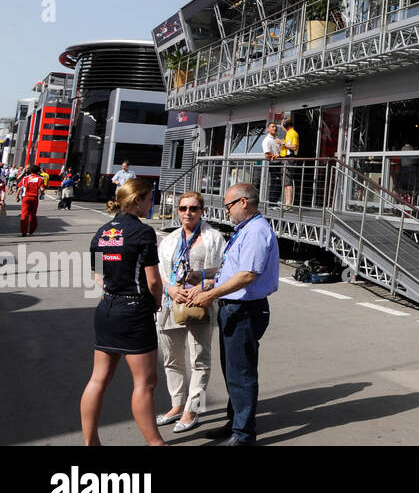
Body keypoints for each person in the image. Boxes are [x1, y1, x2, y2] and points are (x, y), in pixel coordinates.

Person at [189, 181, 279, 445]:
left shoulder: (255, 232)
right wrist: (205, 277)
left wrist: (210, 294)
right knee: (233, 371)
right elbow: (233, 270)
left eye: (228, 205)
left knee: (241, 374)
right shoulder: (245, 230)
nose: (226, 210)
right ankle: (235, 424)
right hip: (235, 308)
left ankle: (243, 434)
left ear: (243, 203)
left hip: (246, 310)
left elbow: (246, 275)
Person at [80, 178, 166, 446]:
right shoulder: (143, 233)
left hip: (106, 306)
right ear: (137, 200)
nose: (152, 203)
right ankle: (155, 443)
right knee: (145, 382)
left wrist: (115, 289)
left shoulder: (101, 232)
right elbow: (153, 281)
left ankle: (91, 442)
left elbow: (97, 276)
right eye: (149, 198)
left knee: (98, 379)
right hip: (134, 310)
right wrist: (155, 302)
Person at [155, 191, 225, 434]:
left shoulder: (213, 238)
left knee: (199, 359)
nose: (188, 213)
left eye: (193, 208)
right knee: (172, 358)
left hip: (199, 304)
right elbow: (159, 273)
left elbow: (225, 270)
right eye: (183, 208)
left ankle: (192, 409)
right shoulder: (169, 240)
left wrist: (206, 285)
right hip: (172, 303)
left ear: (202, 211)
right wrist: (170, 289)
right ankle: (176, 405)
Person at [17, 166, 44, 236]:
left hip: (26, 198)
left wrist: (17, 197)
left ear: (31, 171)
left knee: (24, 215)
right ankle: (31, 230)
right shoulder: (40, 179)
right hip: (34, 198)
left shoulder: (25, 178)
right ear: (38, 171)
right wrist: (42, 193)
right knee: (33, 215)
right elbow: (42, 189)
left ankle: (24, 231)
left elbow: (19, 188)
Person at [279, 116, 299, 208]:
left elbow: (294, 147)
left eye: (284, 123)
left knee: (288, 181)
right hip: (286, 158)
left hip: (289, 158)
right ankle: (287, 203)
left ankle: (288, 204)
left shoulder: (293, 133)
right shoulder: (289, 133)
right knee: (286, 182)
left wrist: (282, 142)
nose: (282, 124)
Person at [261, 122, 282, 204]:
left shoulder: (276, 139)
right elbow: (266, 154)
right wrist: (275, 155)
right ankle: (272, 202)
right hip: (274, 164)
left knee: (278, 183)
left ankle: (275, 201)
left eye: (275, 127)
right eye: (272, 127)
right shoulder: (267, 140)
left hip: (279, 163)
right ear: (268, 129)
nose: (275, 128)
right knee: (275, 182)